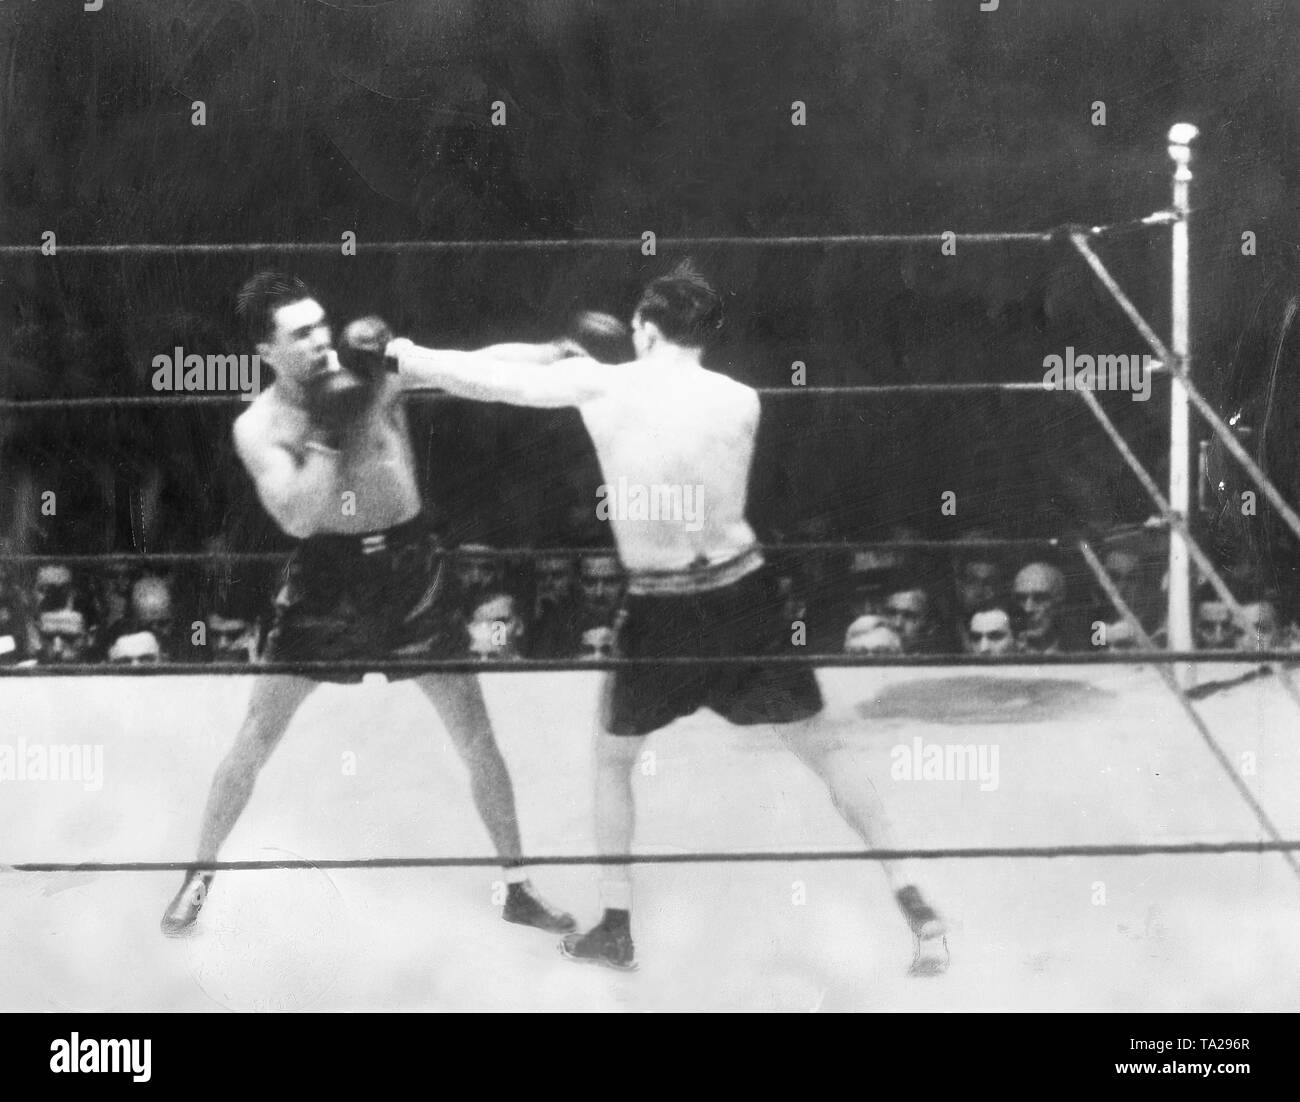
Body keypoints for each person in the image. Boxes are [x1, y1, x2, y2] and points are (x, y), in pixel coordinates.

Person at [388, 264, 948, 976]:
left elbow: (491, 382)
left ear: (644, 329)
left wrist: (403, 358)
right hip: (745, 596)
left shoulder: (606, 386)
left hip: (660, 611)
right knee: (827, 752)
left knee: (613, 760)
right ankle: (917, 904)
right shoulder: (742, 399)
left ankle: (616, 926)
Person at [160, 275, 573, 937]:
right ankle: (199, 876)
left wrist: (553, 352)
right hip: (327, 580)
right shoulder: (259, 425)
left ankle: (518, 885)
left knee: (476, 734)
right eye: (301, 334)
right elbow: (297, 517)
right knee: (257, 735)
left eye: (321, 324)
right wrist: (330, 424)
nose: (321, 341)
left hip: (414, 571)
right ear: (268, 351)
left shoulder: (378, 366)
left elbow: (470, 368)